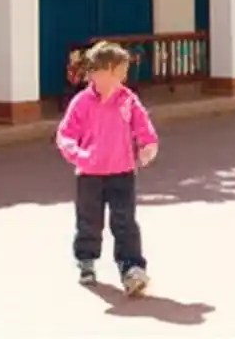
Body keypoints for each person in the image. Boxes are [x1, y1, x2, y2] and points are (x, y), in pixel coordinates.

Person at [56, 42, 159, 295]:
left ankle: (131, 268)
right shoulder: (81, 102)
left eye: (123, 71)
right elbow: (65, 134)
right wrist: (79, 155)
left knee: (125, 221)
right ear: (98, 72)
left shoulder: (127, 99)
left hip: (122, 171)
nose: (123, 76)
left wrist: (147, 145)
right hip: (89, 174)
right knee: (89, 221)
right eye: (118, 71)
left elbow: (142, 125)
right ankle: (86, 260)